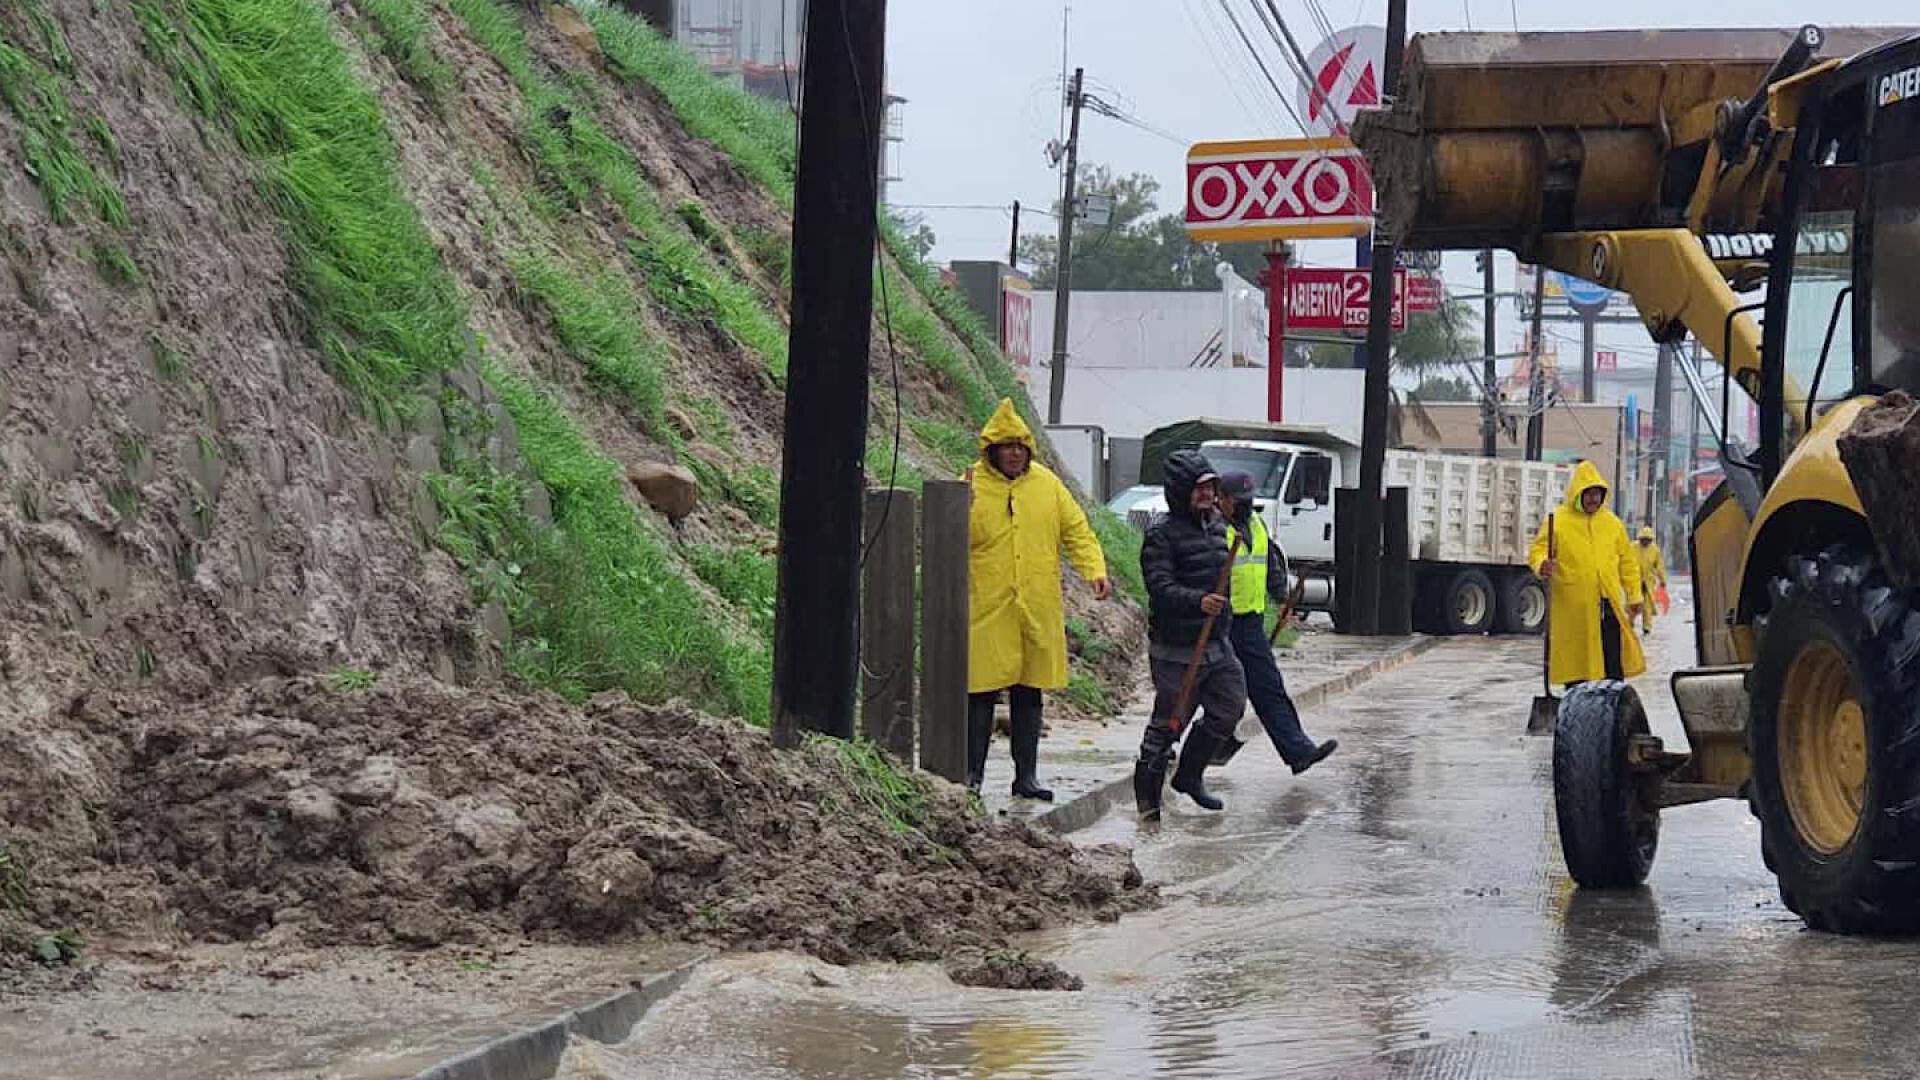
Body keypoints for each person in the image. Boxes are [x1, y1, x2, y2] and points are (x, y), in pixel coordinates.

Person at [965, 399, 1111, 802]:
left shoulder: (1047, 485)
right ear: (991, 449)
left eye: (1020, 446)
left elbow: (1077, 531)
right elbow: (948, 534)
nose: (1014, 453)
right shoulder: (969, 483)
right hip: (985, 605)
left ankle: (1025, 777)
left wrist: (1094, 570)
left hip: (1036, 605)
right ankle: (970, 777)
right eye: (1006, 446)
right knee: (979, 693)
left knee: (1028, 693)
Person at [1133, 449, 1247, 819]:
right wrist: (1199, 602)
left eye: (1211, 487)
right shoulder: (1161, 536)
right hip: (1176, 649)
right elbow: (1160, 588)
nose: (1207, 494)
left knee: (1228, 709)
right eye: (1199, 488)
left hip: (1217, 644)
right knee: (1167, 727)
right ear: (1181, 490)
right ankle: (1148, 806)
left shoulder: (1218, 527)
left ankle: (1189, 776)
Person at [1215, 472, 1339, 773]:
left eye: (1248, 501)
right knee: (1216, 695)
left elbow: (1269, 563)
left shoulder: (1256, 524)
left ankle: (1298, 752)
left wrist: (1282, 597)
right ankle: (1173, 750)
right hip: (1219, 625)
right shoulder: (1212, 530)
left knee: (1269, 689)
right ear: (1223, 500)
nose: (1244, 506)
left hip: (1250, 623)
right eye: (1238, 501)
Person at [1528, 461, 1646, 687]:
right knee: (1577, 661)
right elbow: (1538, 549)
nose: (1593, 499)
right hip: (1573, 606)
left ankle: (1612, 704)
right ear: (1577, 493)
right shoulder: (1559, 521)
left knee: (1612, 658)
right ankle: (1578, 705)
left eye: (1597, 494)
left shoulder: (1612, 524)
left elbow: (1628, 564)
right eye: (1588, 493)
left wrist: (1633, 595)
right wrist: (1542, 563)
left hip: (1608, 601)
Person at [1634, 526, 1667, 635]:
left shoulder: (1654, 550)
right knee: (1633, 603)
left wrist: (1662, 580)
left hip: (1648, 581)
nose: (1646, 541)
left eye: (1648, 539)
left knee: (1647, 607)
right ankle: (1629, 624)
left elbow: (1659, 566)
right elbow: (1625, 562)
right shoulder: (1632, 547)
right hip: (1634, 581)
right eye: (1644, 539)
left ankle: (1646, 627)